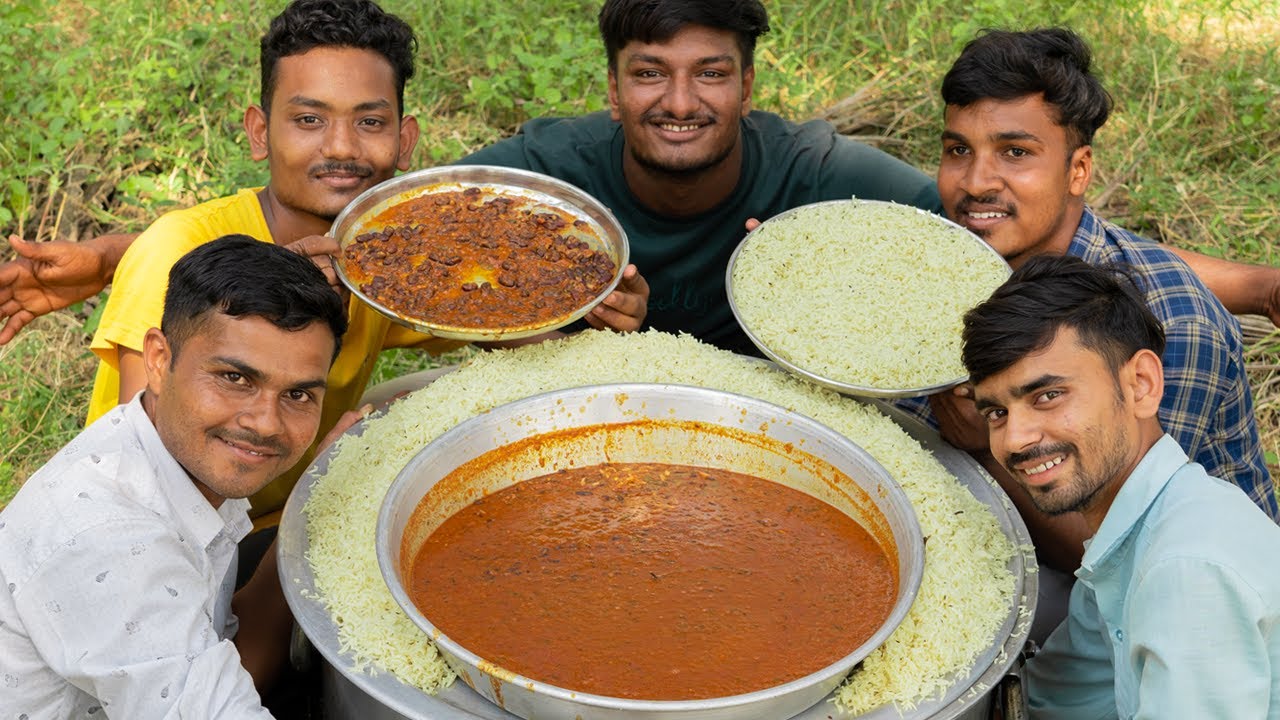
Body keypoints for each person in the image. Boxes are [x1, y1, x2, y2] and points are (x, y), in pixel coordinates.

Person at [1, 1, 1278, 354]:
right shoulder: (541, 173)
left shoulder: (817, 166)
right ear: (612, 84)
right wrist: (107, 260)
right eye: (651, 73)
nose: (680, 103)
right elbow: (357, 223)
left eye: (709, 73)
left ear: (747, 80)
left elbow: (1017, 233)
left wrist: (1262, 286)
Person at [85, 0, 645, 528]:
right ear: (260, 131)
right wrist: (266, 298)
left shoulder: (380, 264)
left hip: (280, 515)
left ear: (405, 142)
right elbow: (147, 471)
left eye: (370, 123)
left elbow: (499, 331)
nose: (342, 148)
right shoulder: (176, 248)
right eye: (309, 120)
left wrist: (593, 321)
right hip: (166, 540)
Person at [906, 28, 1276, 576]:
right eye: (959, 150)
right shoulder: (940, 261)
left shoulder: (1167, 324)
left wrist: (983, 442)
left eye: (1015, 152)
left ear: (1078, 170)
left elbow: (1110, 550)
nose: (977, 182)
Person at [0, 235, 350, 718]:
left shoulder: (181, 458)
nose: (266, 423)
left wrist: (317, 498)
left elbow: (225, 656)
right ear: (159, 360)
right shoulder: (108, 541)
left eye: (297, 395)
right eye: (234, 378)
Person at [963, 254, 1280, 719]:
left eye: (1048, 396)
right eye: (997, 413)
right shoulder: (1124, 536)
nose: (1014, 439)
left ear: (1142, 385)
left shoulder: (1187, 571)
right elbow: (1054, 699)